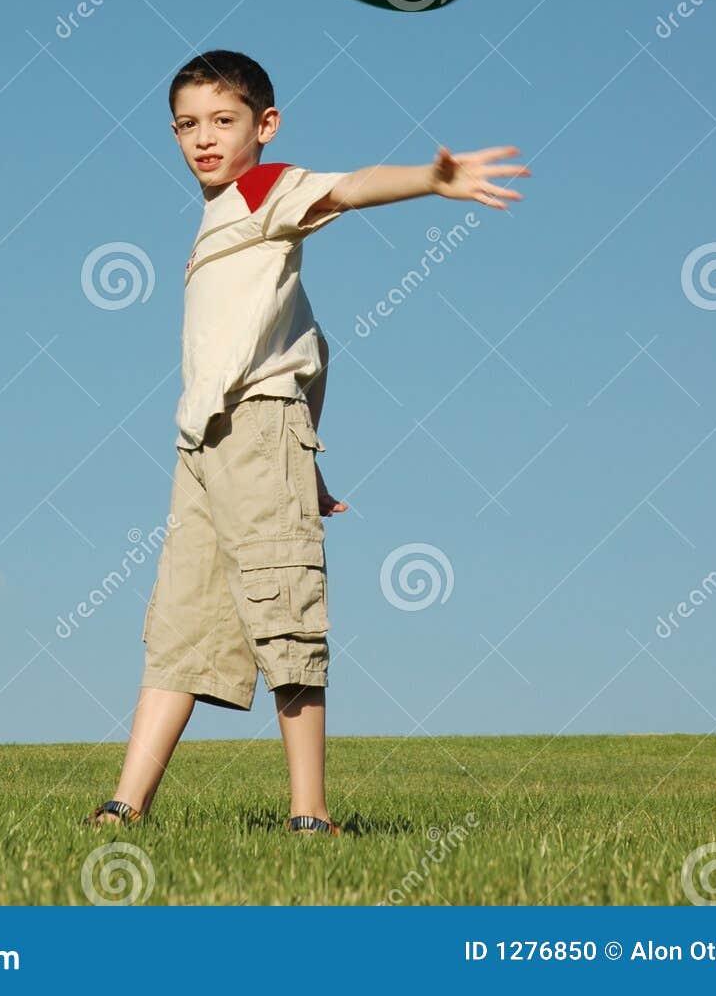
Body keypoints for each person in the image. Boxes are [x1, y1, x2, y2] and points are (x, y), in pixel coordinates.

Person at [85, 50, 528, 834]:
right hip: (203, 444)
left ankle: (309, 816)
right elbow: (315, 344)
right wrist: (310, 459)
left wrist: (430, 179)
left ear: (266, 124)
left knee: (286, 619)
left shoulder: (267, 190)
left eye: (224, 120)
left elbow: (350, 186)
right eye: (187, 124)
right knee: (181, 627)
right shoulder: (217, 222)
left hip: (256, 428)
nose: (204, 138)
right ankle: (123, 808)